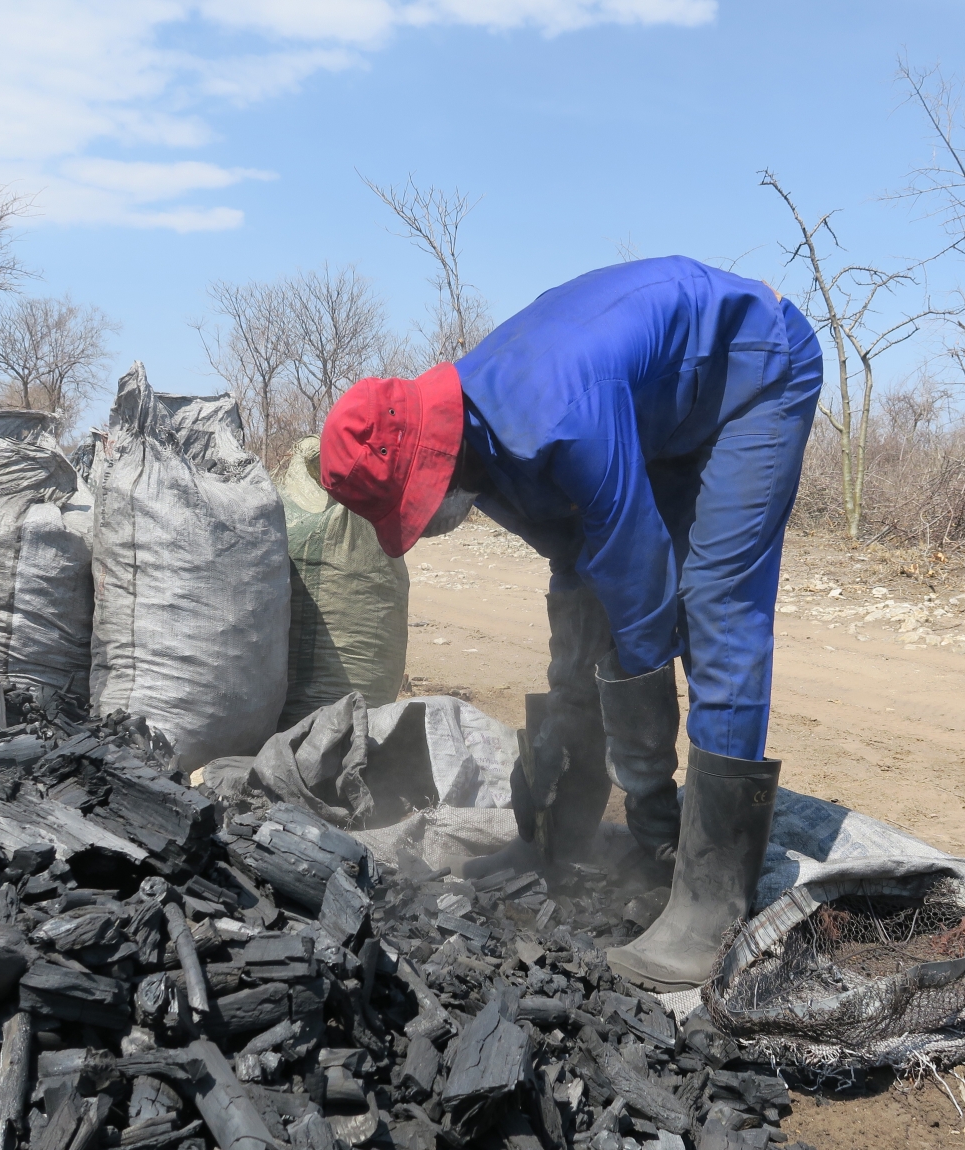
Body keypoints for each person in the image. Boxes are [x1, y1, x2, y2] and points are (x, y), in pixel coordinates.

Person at [318, 255, 823, 993]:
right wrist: (560, 747)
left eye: (417, 508)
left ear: (435, 458)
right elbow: (576, 574)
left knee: (715, 603)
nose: (427, 526)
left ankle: (710, 902)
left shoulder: (555, 417)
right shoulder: (483, 443)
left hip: (754, 372)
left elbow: (641, 592)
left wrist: (645, 780)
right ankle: (557, 836)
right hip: (659, 412)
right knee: (590, 610)